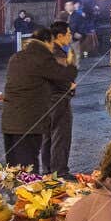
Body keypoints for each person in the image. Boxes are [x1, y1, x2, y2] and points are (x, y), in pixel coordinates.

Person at [0, 25, 74, 170]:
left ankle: (15, 192)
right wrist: (71, 63)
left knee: (13, 169)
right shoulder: (42, 58)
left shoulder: (16, 57)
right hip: (28, 122)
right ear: (46, 41)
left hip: (8, 122)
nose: (53, 47)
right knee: (28, 169)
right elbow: (65, 79)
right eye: (52, 43)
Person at [41, 20, 78, 176]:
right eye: (68, 34)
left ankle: (48, 169)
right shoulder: (58, 54)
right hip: (57, 99)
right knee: (60, 135)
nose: (70, 36)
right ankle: (59, 170)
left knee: (48, 136)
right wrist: (70, 85)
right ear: (60, 36)